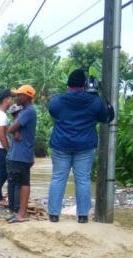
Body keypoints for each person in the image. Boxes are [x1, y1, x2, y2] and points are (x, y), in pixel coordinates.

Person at [47, 69, 114, 223]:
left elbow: (53, 112)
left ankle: (53, 214)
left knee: (58, 178)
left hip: (60, 144)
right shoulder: (94, 101)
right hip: (85, 146)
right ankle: (83, 216)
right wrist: (97, 96)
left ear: (68, 84)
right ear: (84, 85)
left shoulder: (58, 101)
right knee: (83, 179)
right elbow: (106, 117)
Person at [6, 85, 37, 223]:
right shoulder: (25, 111)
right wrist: (15, 128)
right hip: (20, 154)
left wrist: (15, 126)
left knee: (23, 183)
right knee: (18, 182)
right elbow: (14, 130)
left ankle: (22, 213)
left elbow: (11, 128)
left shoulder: (28, 112)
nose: (17, 97)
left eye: (19, 95)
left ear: (27, 97)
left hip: (22, 154)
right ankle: (19, 212)